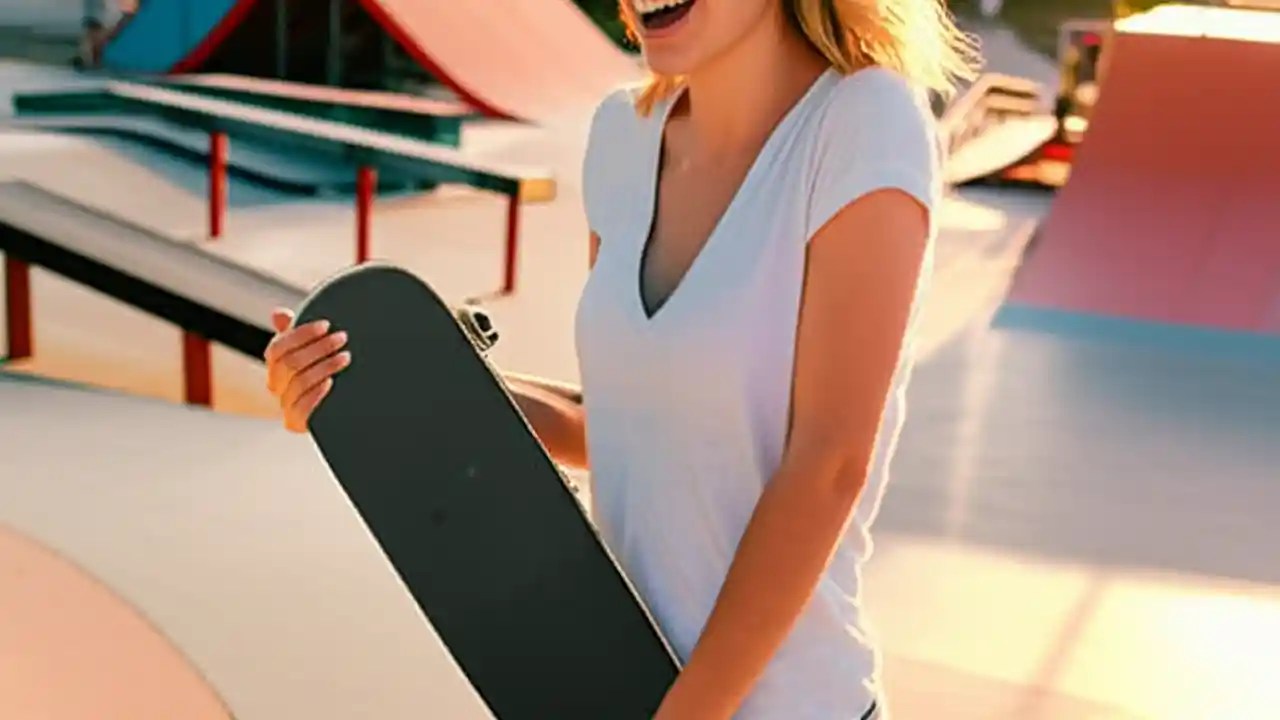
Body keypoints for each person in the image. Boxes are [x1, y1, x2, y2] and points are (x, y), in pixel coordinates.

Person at [264, 0, 977, 717]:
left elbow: (828, 465)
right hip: (619, 687)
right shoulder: (622, 136)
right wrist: (375, 386)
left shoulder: (863, 122)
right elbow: (617, 425)